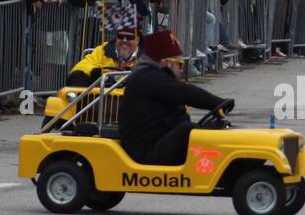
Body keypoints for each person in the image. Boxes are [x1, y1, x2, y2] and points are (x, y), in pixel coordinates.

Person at [118, 31, 227, 165]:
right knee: (187, 130)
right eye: (180, 64)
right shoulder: (148, 77)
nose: (181, 70)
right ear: (166, 63)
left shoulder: (153, 76)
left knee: (193, 129)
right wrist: (217, 103)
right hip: (144, 152)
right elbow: (185, 92)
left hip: (156, 141)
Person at [66, 27, 138, 87]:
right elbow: (79, 67)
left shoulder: (145, 56)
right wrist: (98, 73)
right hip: (100, 96)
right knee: (77, 76)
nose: (124, 40)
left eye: (130, 37)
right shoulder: (103, 50)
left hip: (129, 98)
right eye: (120, 37)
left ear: (138, 40)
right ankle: (79, 104)